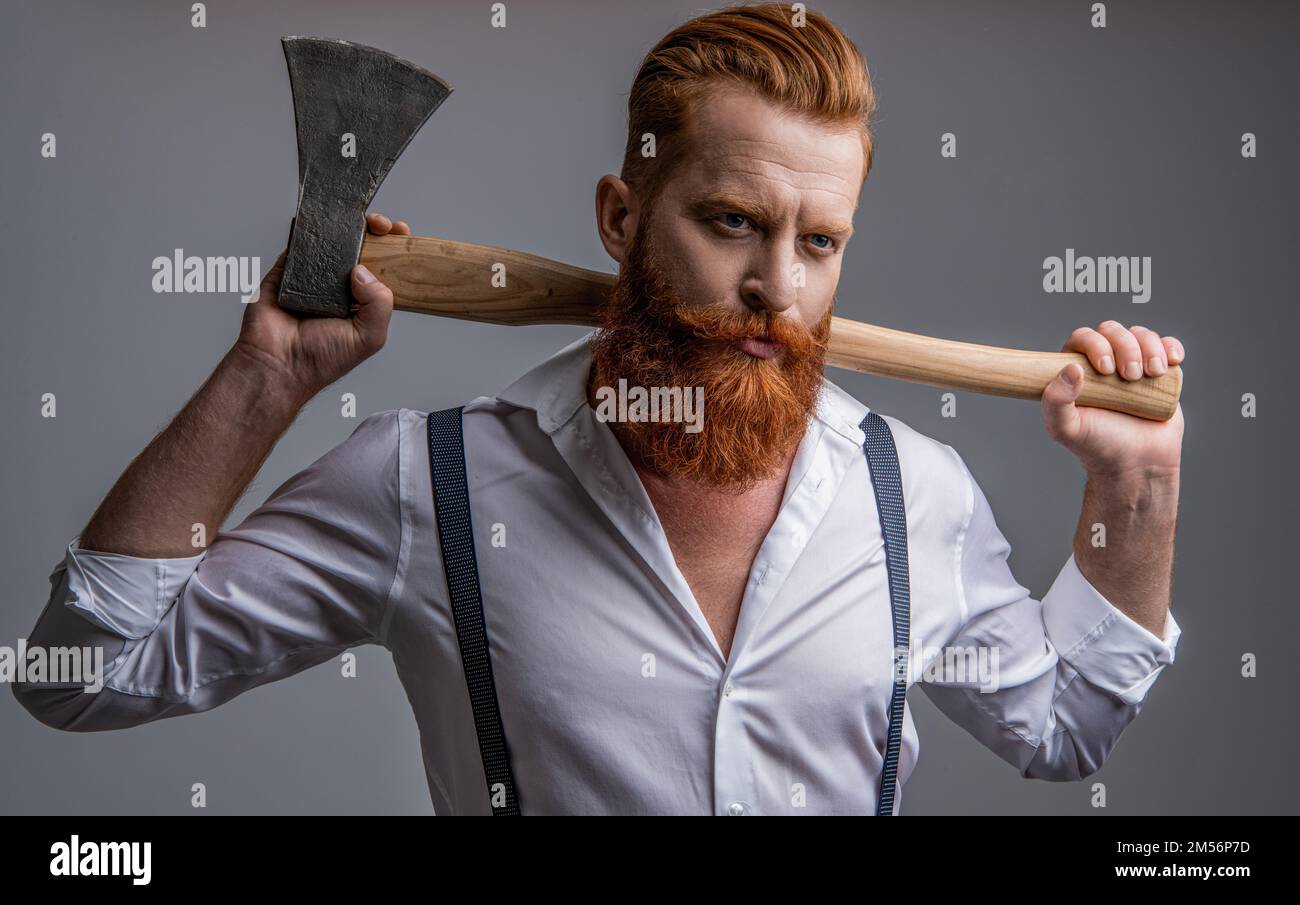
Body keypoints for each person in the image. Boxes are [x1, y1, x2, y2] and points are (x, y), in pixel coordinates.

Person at [13, 3, 1183, 815]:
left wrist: (1135, 489)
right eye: (731, 221)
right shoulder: (432, 485)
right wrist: (261, 381)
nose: (778, 287)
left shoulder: (908, 492)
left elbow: (1064, 727)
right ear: (623, 218)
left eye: (818, 242)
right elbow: (75, 672)